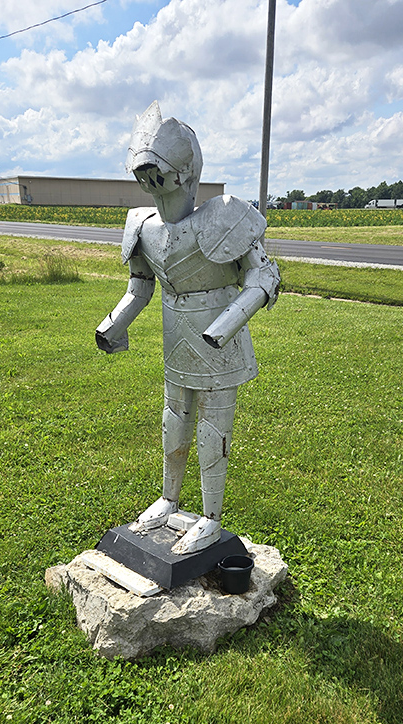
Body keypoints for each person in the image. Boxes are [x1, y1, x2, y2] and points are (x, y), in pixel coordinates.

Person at [96, 102, 280, 555]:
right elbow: (140, 285)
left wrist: (227, 324)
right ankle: (168, 498)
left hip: (218, 336)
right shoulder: (141, 224)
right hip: (176, 334)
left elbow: (266, 276)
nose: (150, 184)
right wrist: (113, 325)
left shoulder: (226, 215)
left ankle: (211, 519)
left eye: (156, 174)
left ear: (183, 172)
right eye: (143, 175)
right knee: (173, 420)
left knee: (213, 428)